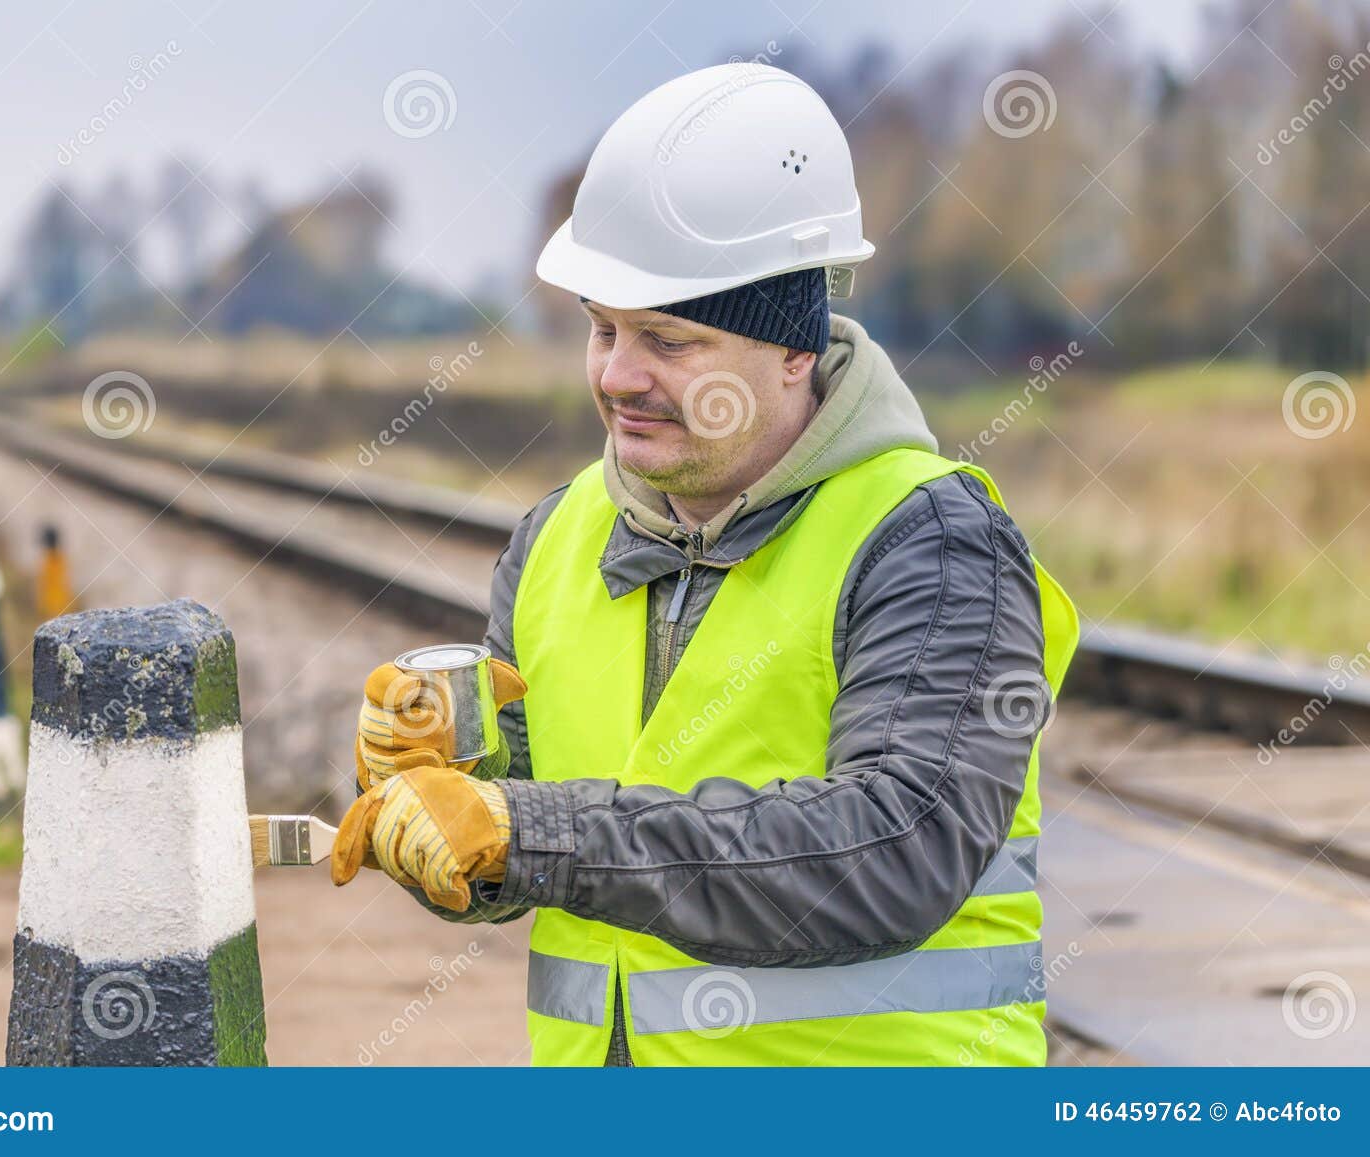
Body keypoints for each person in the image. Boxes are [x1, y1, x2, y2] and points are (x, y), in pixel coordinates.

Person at [332, 62, 1079, 1067]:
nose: (615, 374)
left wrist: (531, 827)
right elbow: (516, 858)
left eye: (667, 340)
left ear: (792, 352)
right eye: (601, 329)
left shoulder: (931, 539)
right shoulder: (558, 536)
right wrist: (435, 796)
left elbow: (897, 844)